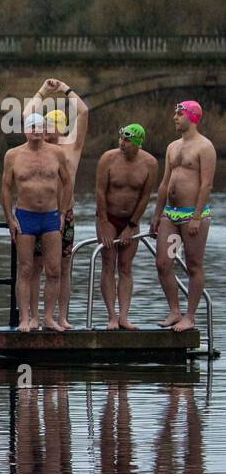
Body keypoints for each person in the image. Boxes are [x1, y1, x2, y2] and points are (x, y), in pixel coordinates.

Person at [24, 80, 89, 328]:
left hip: (65, 214)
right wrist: (42, 90)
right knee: (35, 266)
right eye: (45, 124)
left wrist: (64, 88)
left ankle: (60, 316)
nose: (47, 129)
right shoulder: (35, 147)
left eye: (51, 125)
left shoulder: (71, 148)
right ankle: (34, 316)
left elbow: (83, 112)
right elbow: (27, 114)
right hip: (39, 213)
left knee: (62, 267)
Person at [2, 113, 72, 332]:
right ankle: (25, 318)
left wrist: (62, 212)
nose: (35, 130)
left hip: (50, 215)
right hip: (25, 215)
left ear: (44, 129)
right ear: (25, 129)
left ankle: (49, 318)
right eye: (31, 126)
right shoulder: (13, 155)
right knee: (26, 269)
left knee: (54, 270)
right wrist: (9, 219)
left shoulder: (56, 153)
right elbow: (5, 187)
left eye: (39, 126)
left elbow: (67, 182)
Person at [151, 100, 215, 332]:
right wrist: (157, 214)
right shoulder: (172, 147)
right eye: (175, 114)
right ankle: (174, 311)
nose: (175, 118)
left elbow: (206, 184)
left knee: (193, 264)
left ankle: (190, 316)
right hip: (171, 214)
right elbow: (165, 183)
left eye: (179, 114)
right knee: (163, 263)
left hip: (192, 215)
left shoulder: (205, 147)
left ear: (192, 116)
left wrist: (197, 216)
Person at [95, 124, 157, 329]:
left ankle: (124, 316)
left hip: (130, 219)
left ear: (138, 143)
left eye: (127, 140)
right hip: (108, 217)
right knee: (108, 264)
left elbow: (145, 196)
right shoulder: (108, 158)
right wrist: (103, 223)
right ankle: (111, 316)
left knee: (125, 267)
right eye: (121, 138)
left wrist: (132, 226)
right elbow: (100, 192)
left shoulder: (150, 163)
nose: (122, 143)